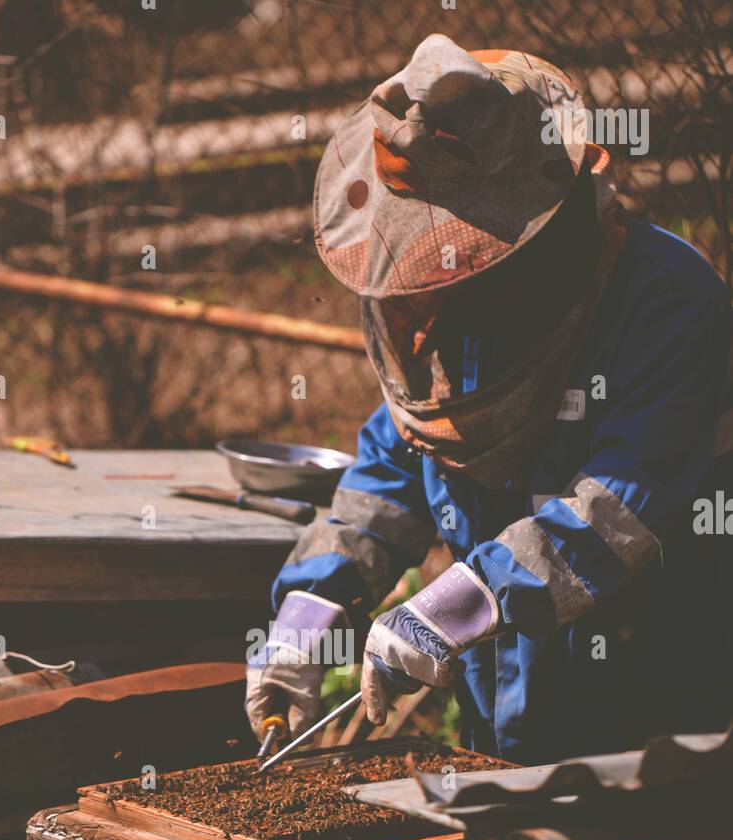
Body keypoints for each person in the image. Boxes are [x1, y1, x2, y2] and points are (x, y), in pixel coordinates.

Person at [246, 37, 732, 765]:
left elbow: (621, 508)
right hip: (499, 715)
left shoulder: (665, 300)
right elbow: (398, 459)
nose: (436, 268)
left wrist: (461, 604)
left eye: (457, 239)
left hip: (658, 718)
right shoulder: (455, 311)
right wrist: (312, 611)